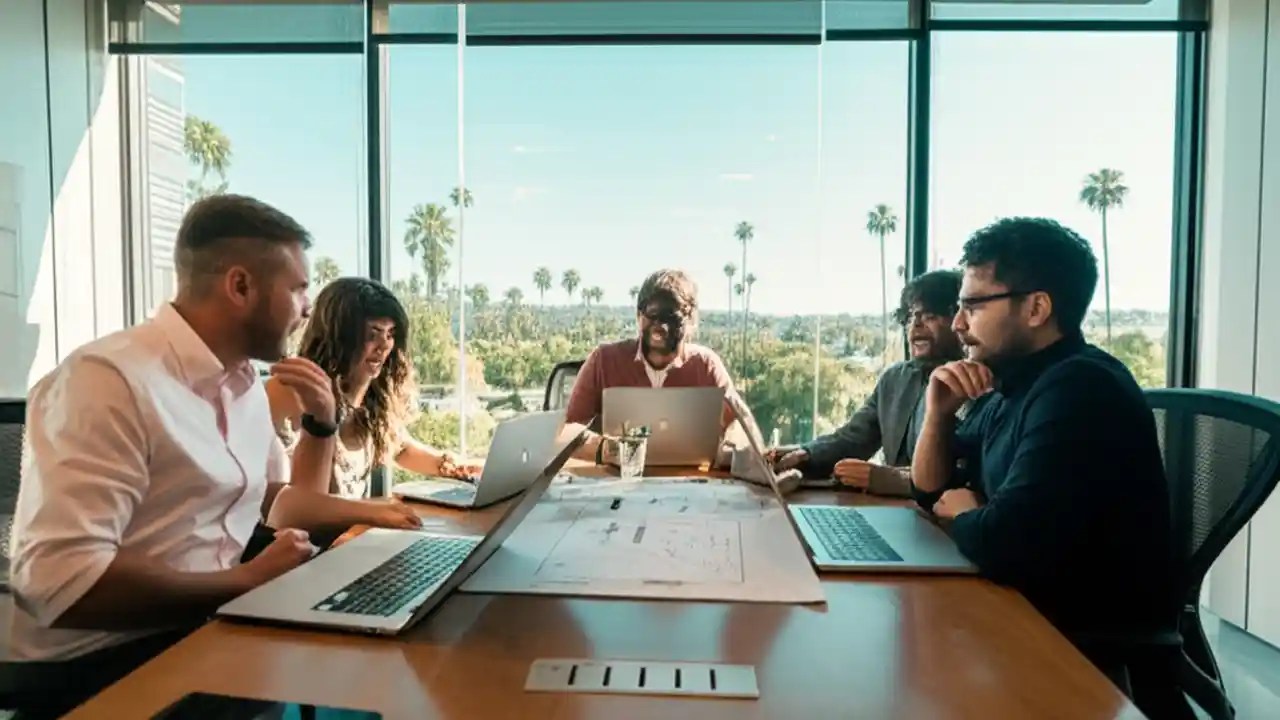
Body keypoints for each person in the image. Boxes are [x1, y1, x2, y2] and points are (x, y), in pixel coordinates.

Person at [6, 195, 421, 718]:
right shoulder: (108, 380)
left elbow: (283, 505)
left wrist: (323, 430)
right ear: (240, 286)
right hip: (100, 664)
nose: (307, 308)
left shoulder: (244, 387)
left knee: (398, 666)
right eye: (298, 289)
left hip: (204, 626)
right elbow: (59, 582)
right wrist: (245, 581)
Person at [910, 217, 1182, 716]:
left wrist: (967, 512)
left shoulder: (1079, 388)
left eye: (973, 305)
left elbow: (1005, 543)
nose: (958, 324)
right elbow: (932, 490)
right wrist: (938, 416)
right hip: (1022, 614)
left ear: (1037, 308)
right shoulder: (1013, 385)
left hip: (1082, 655)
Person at [266, 277, 482, 498]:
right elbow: (274, 498)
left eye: (390, 334)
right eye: (373, 333)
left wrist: (456, 467)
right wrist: (379, 512)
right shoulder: (289, 391)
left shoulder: (371, 398)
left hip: (353, 521)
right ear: (340, 336)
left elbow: (399, 447)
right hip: (311, 521)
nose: (384, 345)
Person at [769, 270, 963, 496]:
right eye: (910, 317)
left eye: (929, 315)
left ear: (961, 320)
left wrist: (889, 480)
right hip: (891, 511)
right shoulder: (895, 379)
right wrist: (806, 454)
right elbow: (852, 440)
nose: (916, 325)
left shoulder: (977, 385)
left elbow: (969, 478)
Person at [564, 269, 737, 461]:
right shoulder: (604, 361)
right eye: (652, 314)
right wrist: (609, 449)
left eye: (671, 317)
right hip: (618, 477)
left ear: (691, 321)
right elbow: (566, 431)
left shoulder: (706, 366)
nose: (660, 326)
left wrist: (729, 450)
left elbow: (739, 427)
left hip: (691, 477)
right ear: (639, 316)